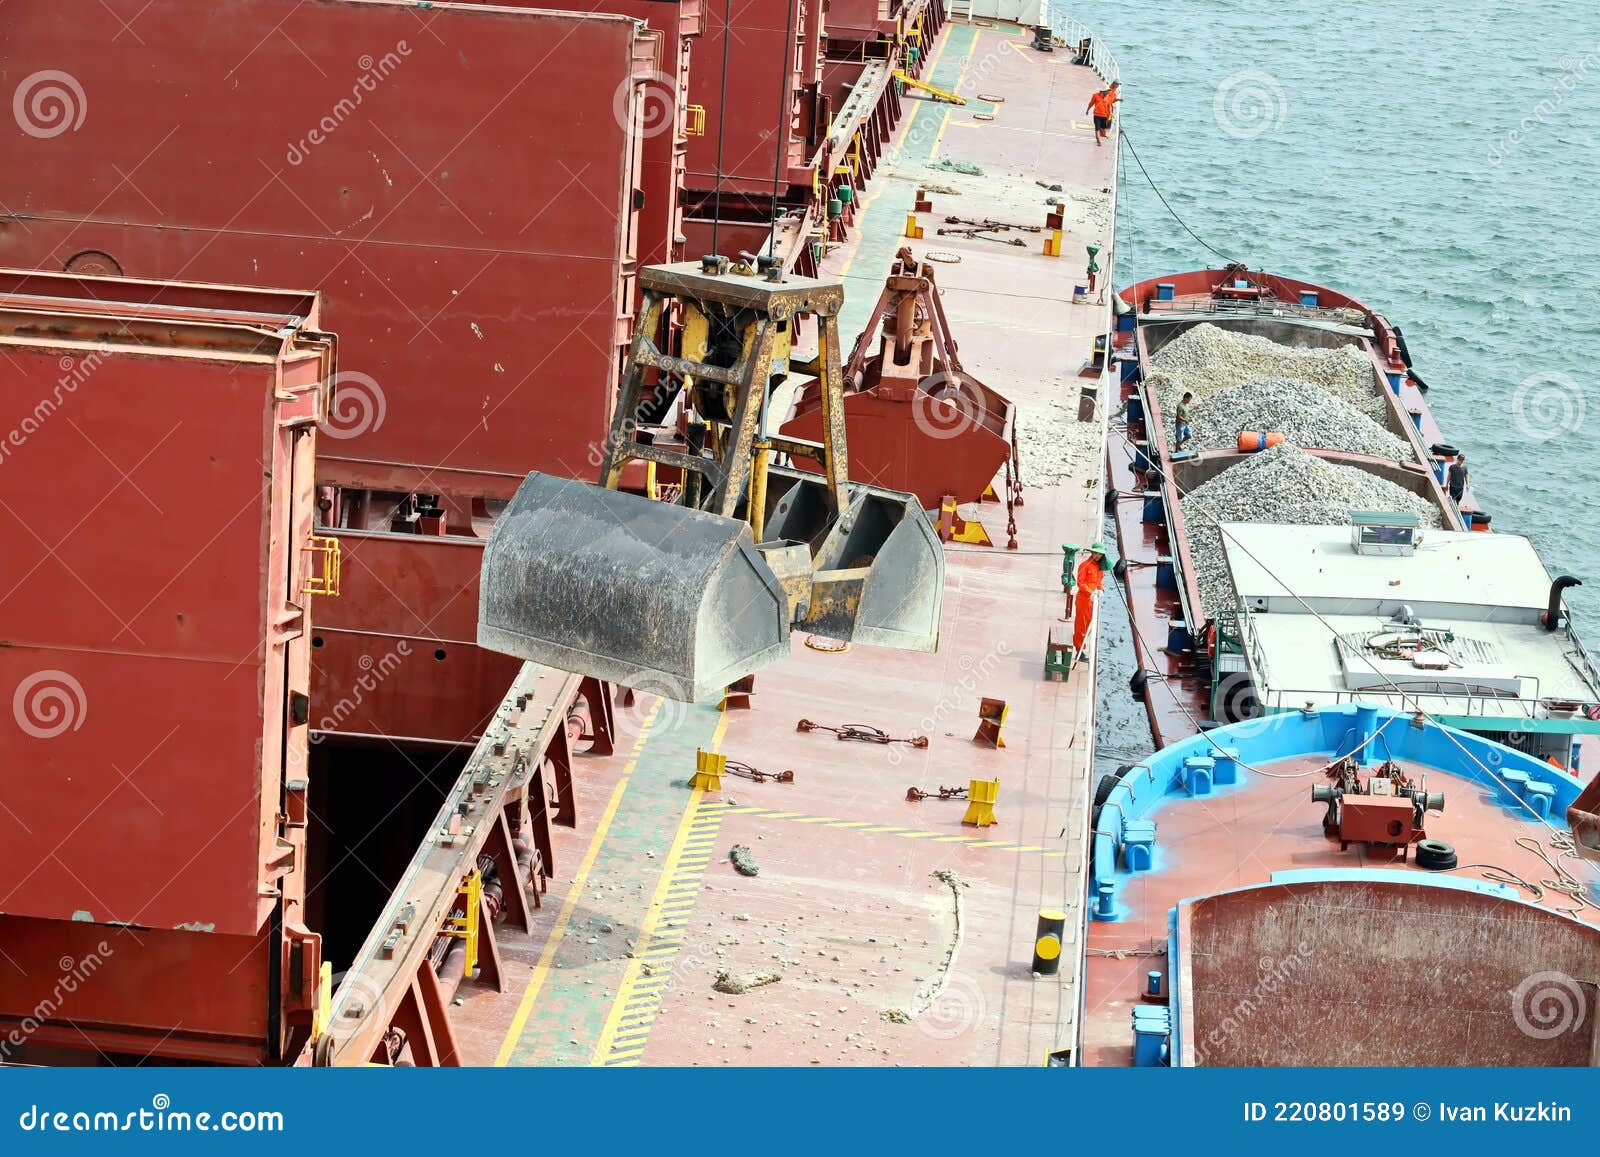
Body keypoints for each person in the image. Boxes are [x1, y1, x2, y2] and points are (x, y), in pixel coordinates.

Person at [1072, 543, 1110, 657]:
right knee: (1081, 625)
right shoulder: (1084, 565)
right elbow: (1080, 583)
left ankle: (1081, 647)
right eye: (1096, 553)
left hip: (1093, 600)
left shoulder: (1099, 568)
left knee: (1089, 625)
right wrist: (1090, 592)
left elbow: (1098, 582)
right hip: (1083, 600)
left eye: (1100, 554)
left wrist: (1101, 589)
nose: (1097, 556)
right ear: (1092, 552)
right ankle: (1079, 650)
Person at [1087, 81, 1120, 146]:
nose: (1108, 92)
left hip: (1105, 114)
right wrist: (1087, 110)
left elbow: (1111, 102)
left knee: (1103, 126)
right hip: (1097, 114)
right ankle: (1098, 140)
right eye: (1107, 91)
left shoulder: (1109, 95)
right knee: (1097, 127)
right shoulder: (1096, 95)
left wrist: (1117, 100)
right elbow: (1091, 103)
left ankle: (1102, 134)